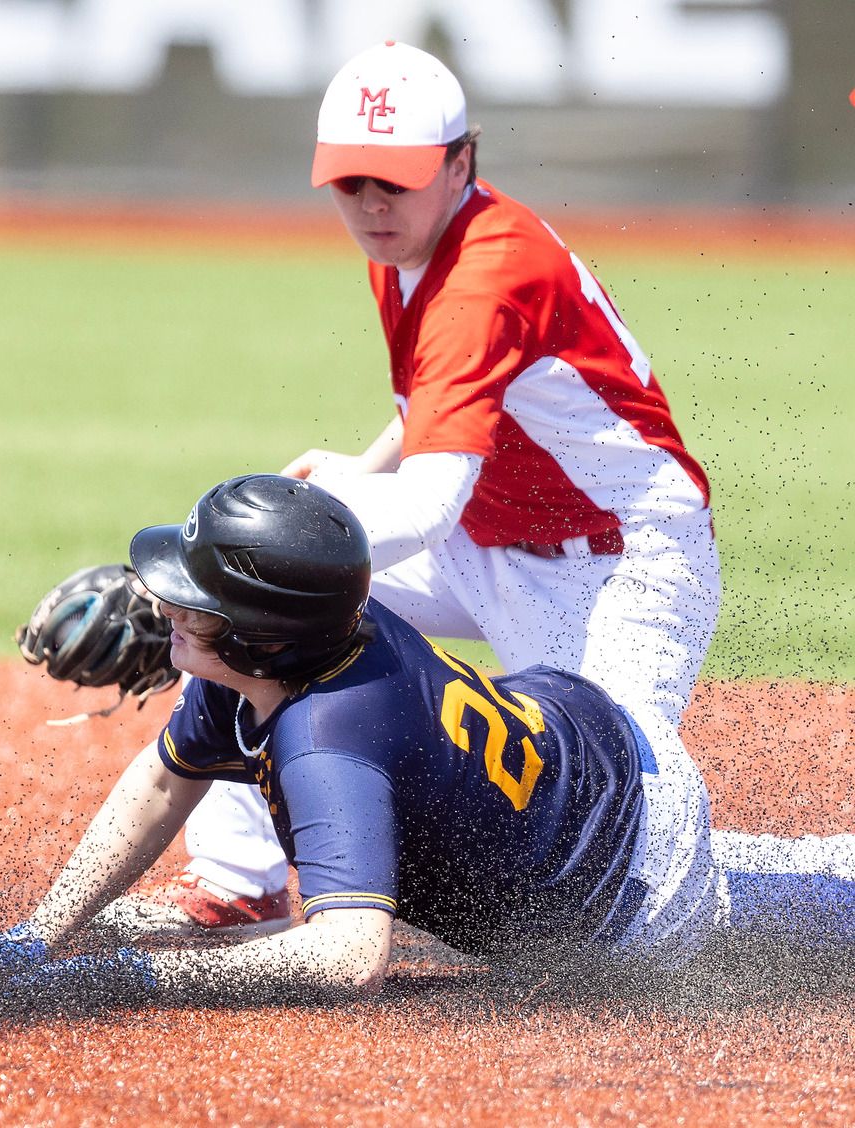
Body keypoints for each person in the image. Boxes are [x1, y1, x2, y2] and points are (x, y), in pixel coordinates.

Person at [127, 39, 727, 938]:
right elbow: (438, 407)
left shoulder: (484, 276)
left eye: (395, 181)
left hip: (619, 566)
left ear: (462, 163)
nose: (371, 203)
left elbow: (422, 509)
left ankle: (819, 882)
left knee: (628, 829)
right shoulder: (407, 245)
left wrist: (233, 553)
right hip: (487, 540)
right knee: (256, 621)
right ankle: (238, 880)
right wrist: (349, 475)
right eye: (351, 181)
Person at [0, 477, 855, 1007]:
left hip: (639, 892)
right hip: (593, 751)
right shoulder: (283, 655)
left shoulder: (326, 734)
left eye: (198, 597)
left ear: (261, 633)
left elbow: (350, 954)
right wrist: (41, 932)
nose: (168, 602)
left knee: (751, 906)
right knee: (779, 880)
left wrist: (128, 974)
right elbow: (161, 780)